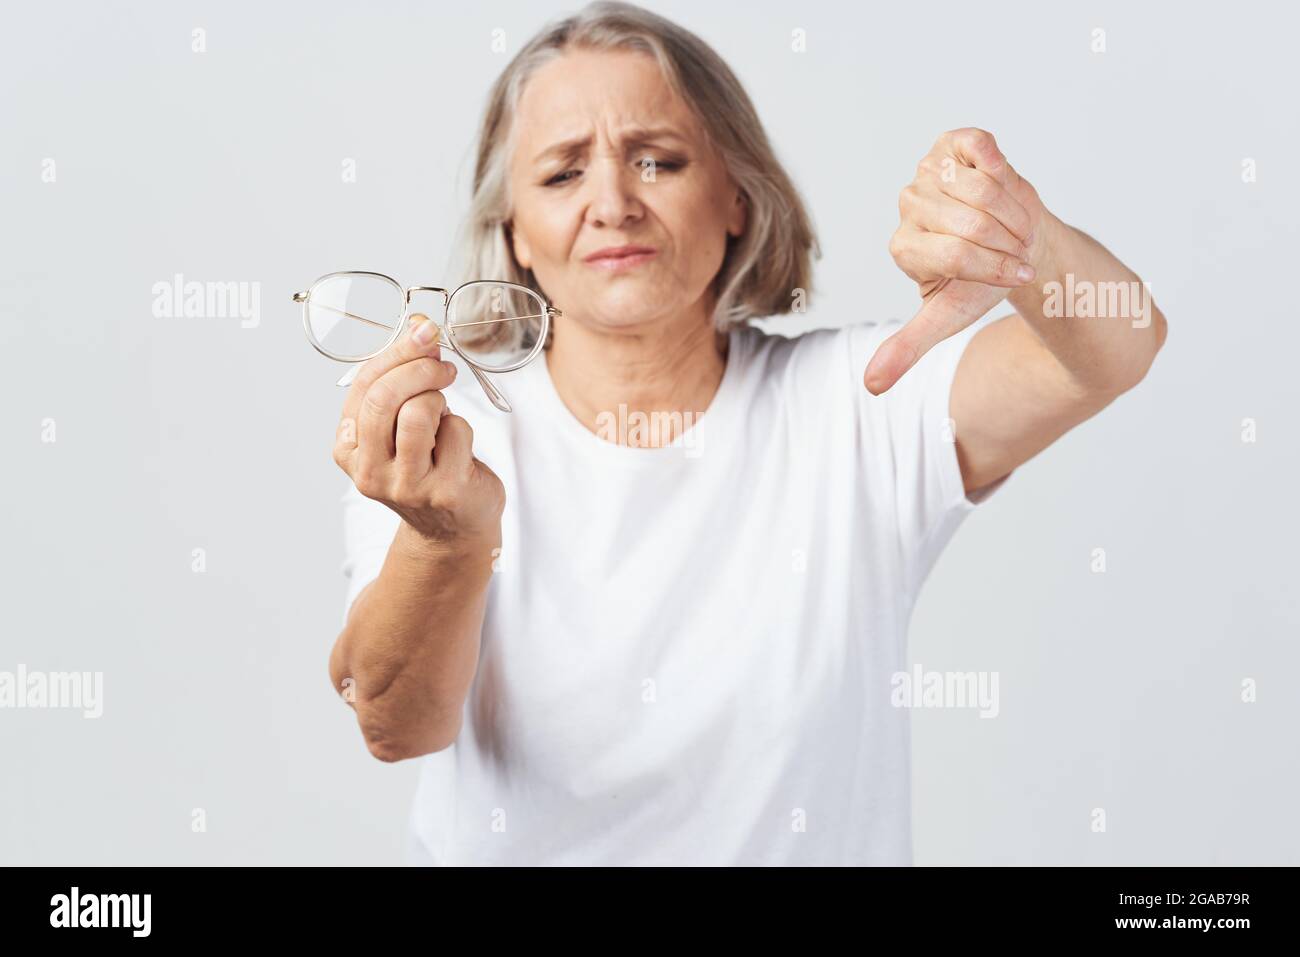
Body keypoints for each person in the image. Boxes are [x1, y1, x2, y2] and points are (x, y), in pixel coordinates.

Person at [327, 1, 1166, 865]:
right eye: (561, 174)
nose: (612, 203)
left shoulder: (858, 404)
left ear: (735, 198)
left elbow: (1118, 346)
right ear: (516, 236)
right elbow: (396, 724)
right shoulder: (444, 437)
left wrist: (1024, 241)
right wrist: (444, 541)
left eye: (657, 160)